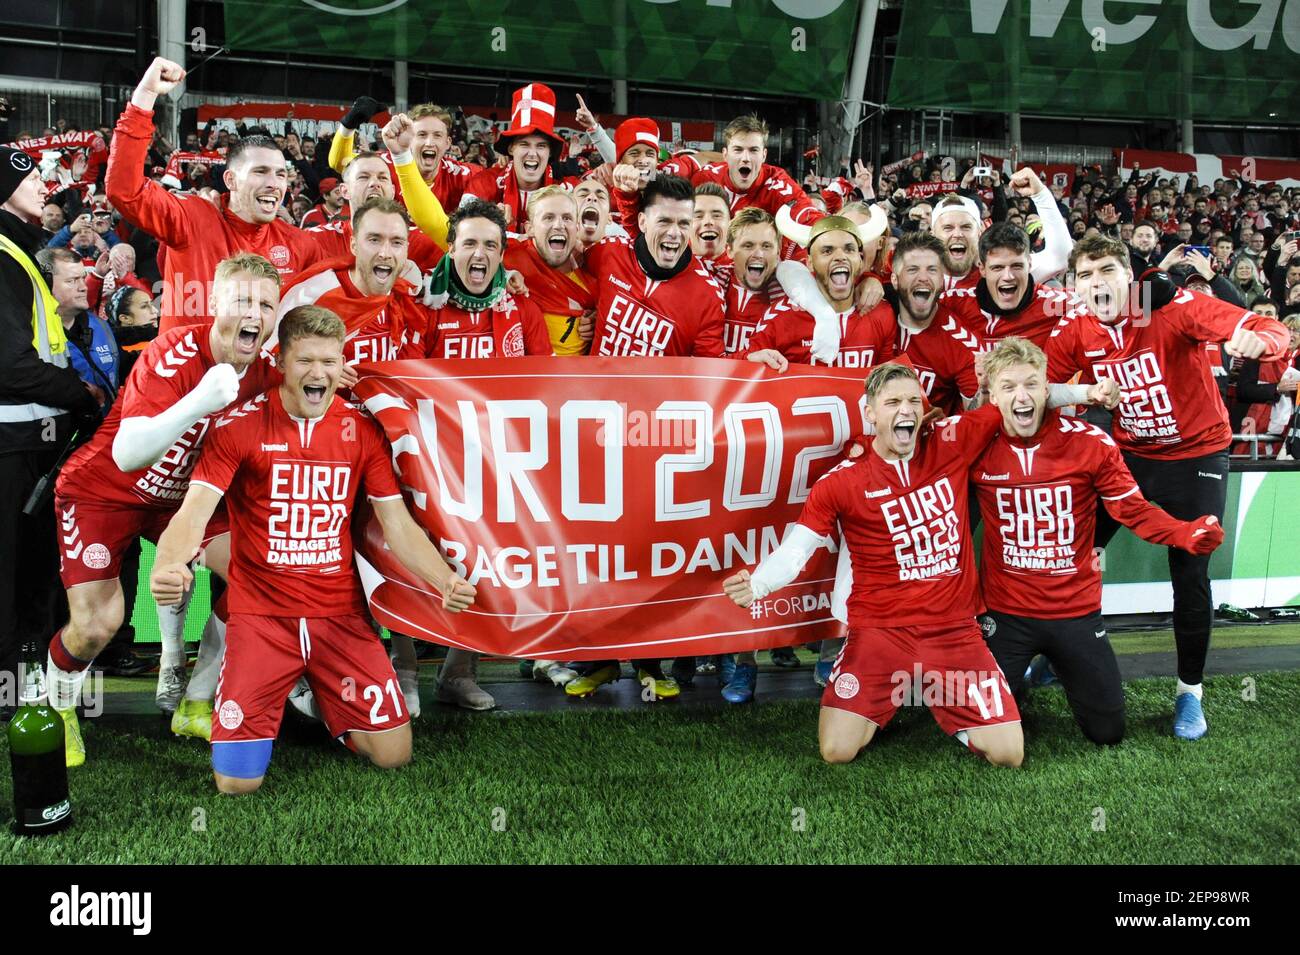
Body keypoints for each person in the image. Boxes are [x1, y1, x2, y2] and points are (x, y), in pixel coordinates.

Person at [149, 305, 476, 794]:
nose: (318, 372)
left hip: (339, 617)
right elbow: (194, 511)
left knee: (394, 754)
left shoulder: (361, 431)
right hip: (261, 619)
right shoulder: (238, 426)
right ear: (280, 360)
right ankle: (273, 697)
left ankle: (319, 703)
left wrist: (443, 578)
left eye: (329, 360)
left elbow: (398, 525)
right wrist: (168, 563)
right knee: (237, 785)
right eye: (305, 361)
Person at [721, 363, 1116, 764]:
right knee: (836, 751)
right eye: (892, 402)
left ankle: (933, 688)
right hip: (880, 631)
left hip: (953, 630)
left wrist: (1087, 394)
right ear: (870, 412)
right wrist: (758, 586)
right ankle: (902, 689)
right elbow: (797, 550)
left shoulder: (952, 443)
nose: (905, 410)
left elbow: (1018, 399)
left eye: (913, 400)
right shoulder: (841, 481)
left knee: (1008, 753)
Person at [1046, 234, 1290, 740]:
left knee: (1191, 574)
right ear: (1074, 287)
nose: (1098, 283)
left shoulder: (1173, 308)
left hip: (1197, 455)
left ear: (1130, 277)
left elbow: (1264, 326)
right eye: (1086, 275)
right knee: (1074, 553)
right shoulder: (1077, 328)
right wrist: (1083, 391)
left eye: (1108, 270)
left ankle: (1189, 694)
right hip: (1132, 456)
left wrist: (1262, 340)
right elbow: (1038, 385)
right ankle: (1059, 653)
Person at [47, 253, 284, 764]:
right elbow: (129, 453)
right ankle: (58, 707)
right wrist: (200, 398)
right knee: (97, 625)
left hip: (180, 499)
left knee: (260, 578)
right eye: (242, 299)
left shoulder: (266, 371)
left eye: (266, 304)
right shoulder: (174, 350)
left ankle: (195, 702)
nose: (254, 313)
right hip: (104, 490)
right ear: (216, 302)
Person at [972, 337, 1224, 745]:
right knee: (986, 724)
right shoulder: (975, 443)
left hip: (1075, 611)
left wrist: (1184, 533)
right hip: (1005, 615)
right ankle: (1010, 684)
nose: (1022, 396)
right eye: (1008, 387)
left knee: (1107, 732)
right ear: (993, 395)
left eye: (1032, 385)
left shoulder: (1090, 442)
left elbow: (1134, 509)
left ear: (1048, 390)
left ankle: (1056, 668)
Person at [415, 200, 551, 709]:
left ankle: (458, 671)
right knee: (412, 561)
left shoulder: (521, 308)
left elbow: (543, 388)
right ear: (451, 249)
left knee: (483, 566)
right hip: (430, 463)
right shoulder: (425, 306)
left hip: (496, 466)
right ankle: (404, 671)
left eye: (491, 245)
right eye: (469, 243)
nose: (480, 254)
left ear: (502, 254)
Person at [106, 58, 325, 331]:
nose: (274, 183)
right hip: (188, 374)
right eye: (260, 171)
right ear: (230, 179)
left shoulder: (300, 246)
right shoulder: (191, 219)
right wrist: (145, 96)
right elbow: (124, 190)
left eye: (281, 174)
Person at [0, 146, 102, 702]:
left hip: (28, 442)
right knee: (11, 576)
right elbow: (11, 363)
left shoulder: (18, 252)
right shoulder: (4, 255)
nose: (43, 186)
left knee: (26, 575)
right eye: (28, 178)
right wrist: (77, 393)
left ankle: (23, 689)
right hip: (12, 446)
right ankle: (9, 695)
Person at [744, 204, 894, 371]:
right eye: (827, 251)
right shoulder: (779, 317)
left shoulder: (883, 313)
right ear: (809, 263)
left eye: (849, 249)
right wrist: (748, 360)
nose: (840, 257)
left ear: (859, 259)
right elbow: (742, 371)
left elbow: (887, 384)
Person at [941, 221, 1079, 350]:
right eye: (997, 268)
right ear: (982, 269)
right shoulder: (953, 304)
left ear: (1029, 265)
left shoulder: (1055, 304)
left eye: (1017, 266)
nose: (1008, 276)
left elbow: (1099, 300)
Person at [932, 168, 1071, 291]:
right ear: (932, 233)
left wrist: (1040, 195)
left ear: (980, 231)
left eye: (966, 227)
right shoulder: (917, 277)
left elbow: (1061, 257)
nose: (957, 234)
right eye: (947, 228)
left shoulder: (1001, 269)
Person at [889, 232, 981, 415]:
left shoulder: (963, 343)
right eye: (912, 269)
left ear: (942, 281)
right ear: (894, 280)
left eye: (932, 270)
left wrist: (945, 423)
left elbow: (978, 417)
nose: (923, 278)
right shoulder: (877, 316)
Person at [463, 83, 571, 233]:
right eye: (524, 144)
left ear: (550, 152)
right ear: (511, 149)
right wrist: (487, 222)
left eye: (540, 146)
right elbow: (460, 230)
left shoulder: (567, 190)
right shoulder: (484, 182)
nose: (532, 153)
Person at [503, 186, 597, 357]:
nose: (559, 225)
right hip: (518, 377)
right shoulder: (508, 257)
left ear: (577, 228)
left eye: (567, 218)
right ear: (529, 229)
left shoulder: (594, 275)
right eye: (548, 218)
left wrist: (601, 318)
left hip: (574, 379)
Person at [36, 248, 119, 424]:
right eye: (72, 280)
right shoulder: (28, 335)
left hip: (109, 434)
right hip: (54, 439)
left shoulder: (100, 325)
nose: (83, 287)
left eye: (82, 278)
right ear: (45, 283)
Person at [718, 207, 784, 357]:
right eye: (748, 245)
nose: (758, 254)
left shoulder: (791, 301)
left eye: (766, 246)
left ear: (778, 252)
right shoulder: (711, 284)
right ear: (729, 250)